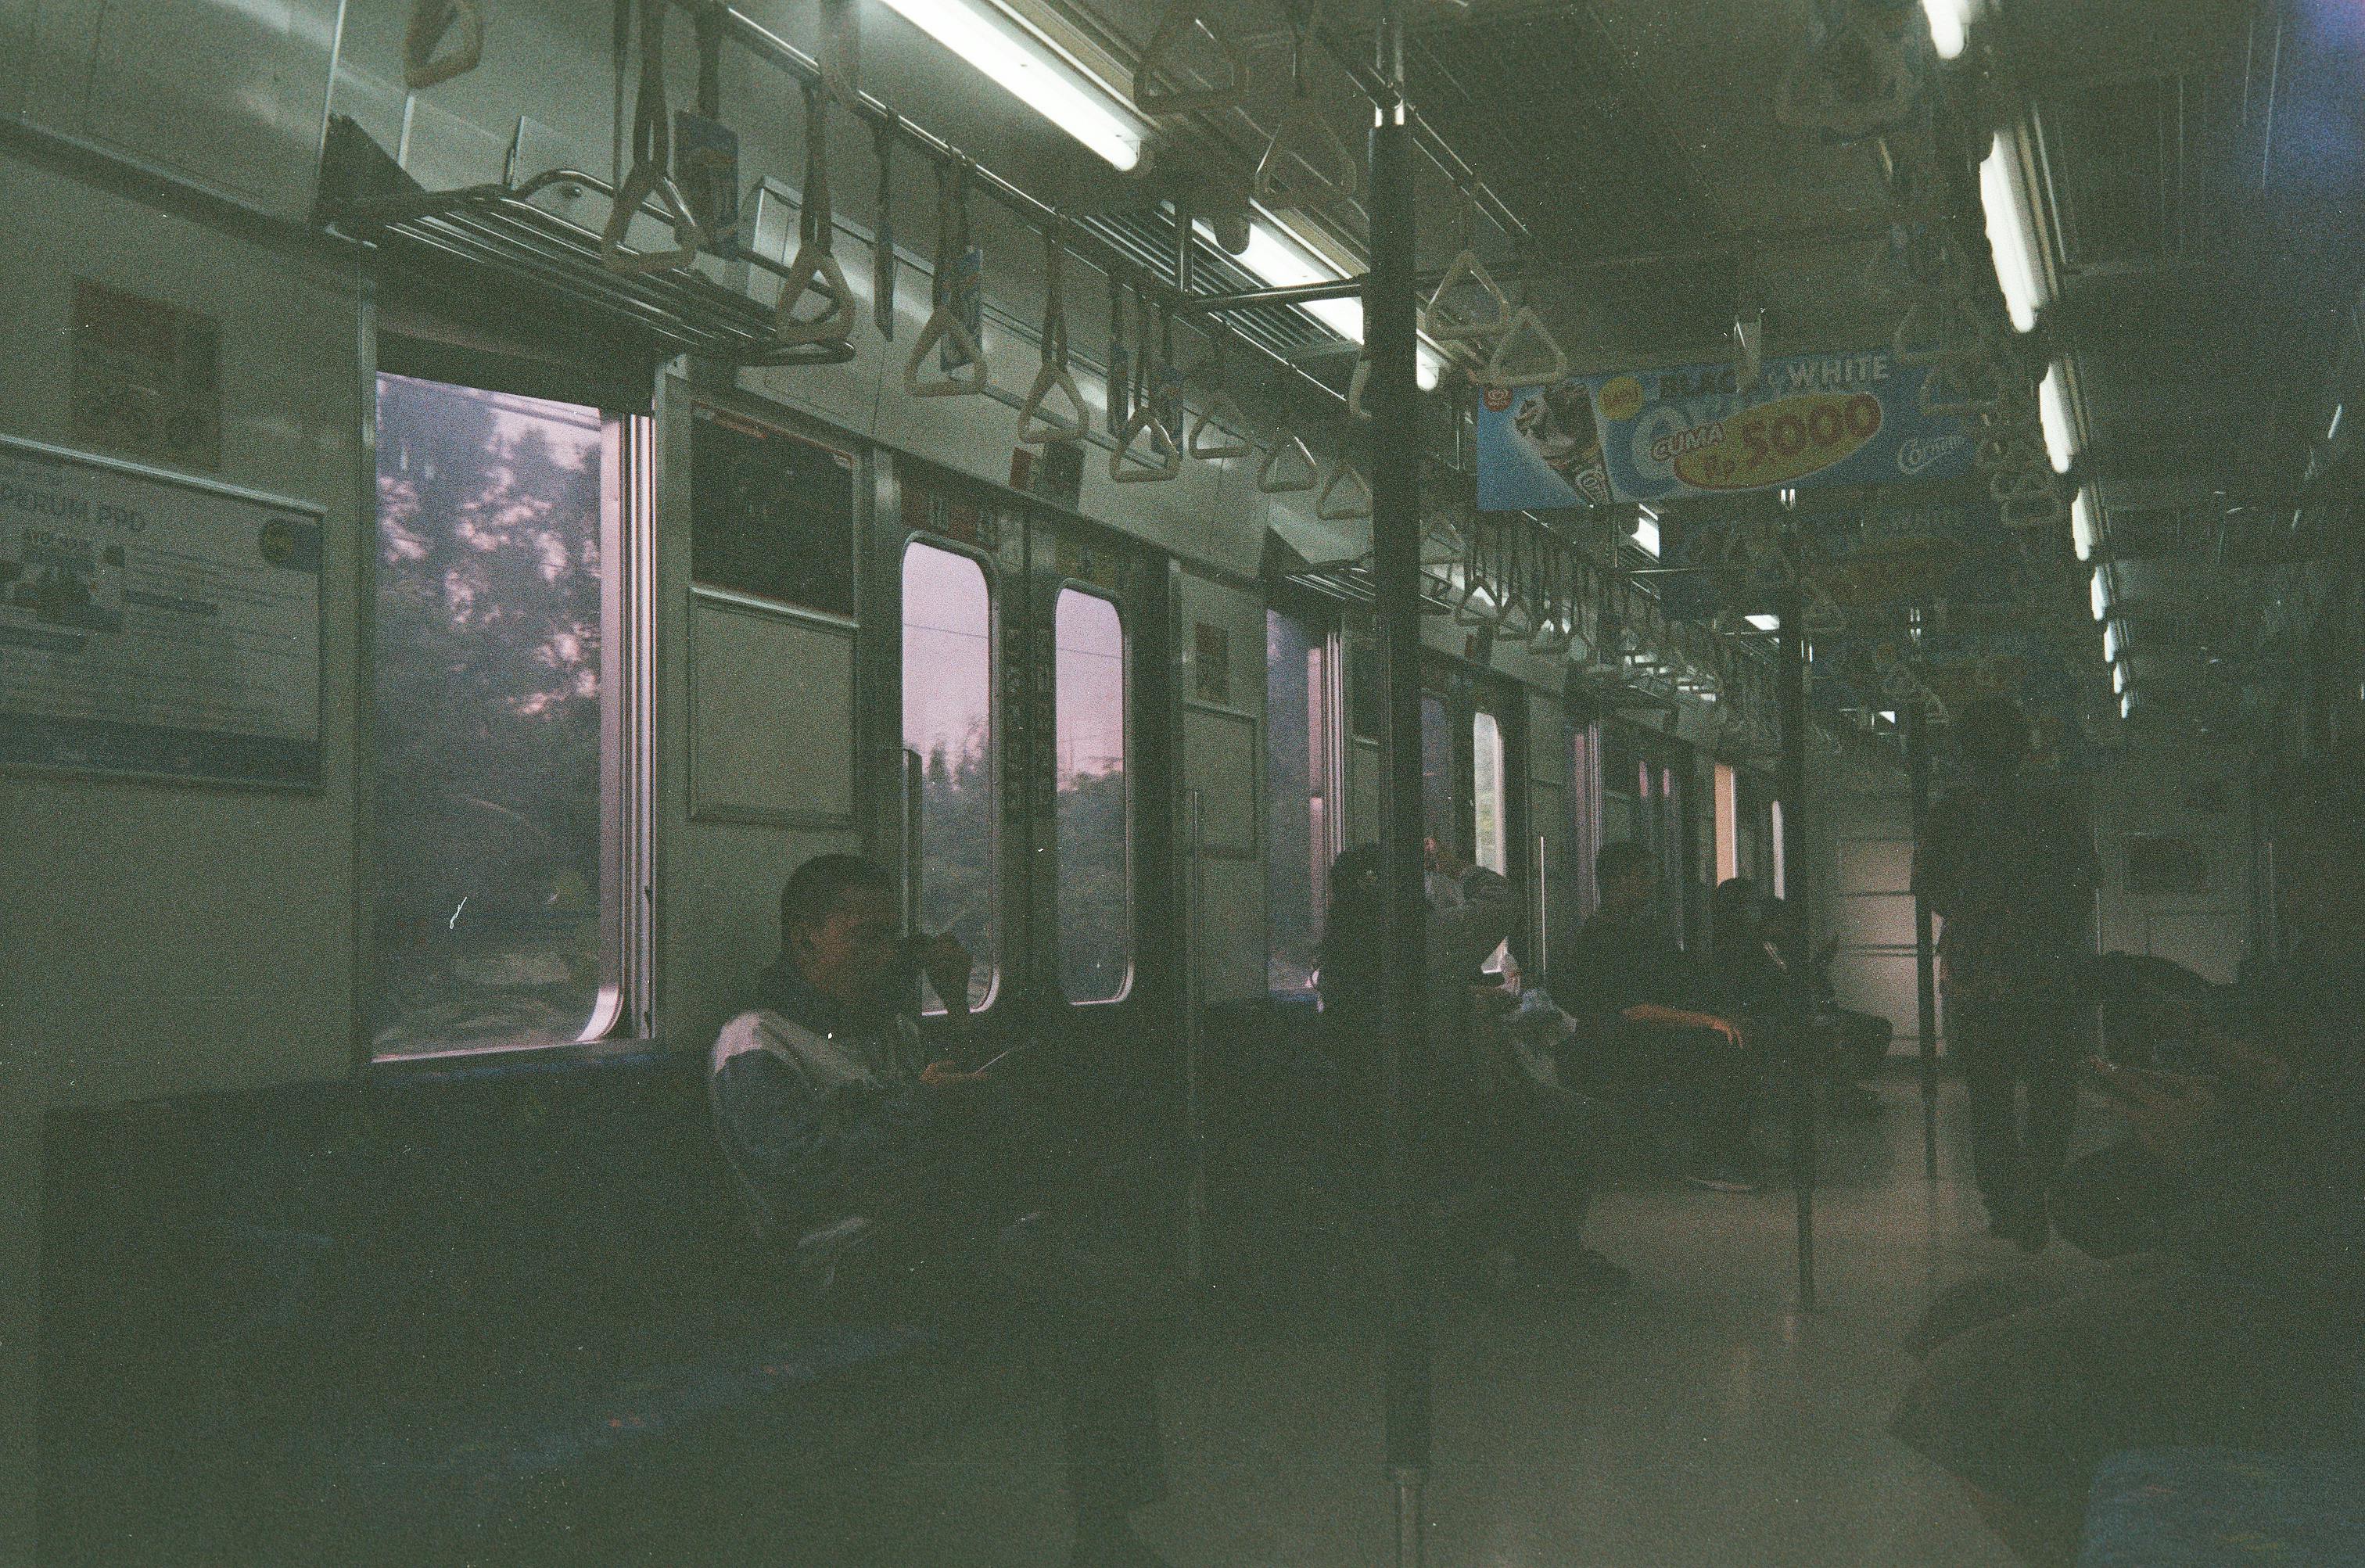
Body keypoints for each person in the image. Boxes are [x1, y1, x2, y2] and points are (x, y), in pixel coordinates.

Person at [1889, 745, 2365, 1566]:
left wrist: (2210, 1145)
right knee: (1959, 1312)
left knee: (1963, 1385)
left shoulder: (1958, 827)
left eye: (2310, 860)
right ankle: (2028, 1196)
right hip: (2271, 1256)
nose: (2291, 886)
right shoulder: (2331, 971)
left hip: (2314, 1307)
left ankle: (2020, 1198)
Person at [709, 853, 1175, 1568]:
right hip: (832, 1257)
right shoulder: (756, 1041)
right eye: (862, 937)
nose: (882, 956)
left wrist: (957, 1007)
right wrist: (918, 1104)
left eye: (889, 938)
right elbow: (800, 1178)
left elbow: (953, 1117)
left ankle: (1107, 1527)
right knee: (1083, 1285)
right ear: (804, 940)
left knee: (1097, 1268)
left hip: (919, 1229)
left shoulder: (887, 1030)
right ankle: (1107, 1536)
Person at [1318, 838, 1628, 1295]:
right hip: (1449, 1101)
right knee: (1571, 1123)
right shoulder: (1430, 935)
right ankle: (1548, 1256)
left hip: (1378, 1104)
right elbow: (1500, 900)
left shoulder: (1341, 957)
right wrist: (1454, 865)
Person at [1912, 696, 2099, 1249]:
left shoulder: (1949, 812)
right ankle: (2036, 1185)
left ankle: (2008, 1198)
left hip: (1979, 975)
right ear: (2025, 747)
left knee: (1989, 1098)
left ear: (1964, 752)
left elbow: (1929, 886)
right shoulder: (2056, 806)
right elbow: (2083, 883)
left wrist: (1980, 915)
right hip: (2046, 971)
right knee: (2052, 1090)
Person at [1559, 841, 1764, 1190]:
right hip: (1620, 1043)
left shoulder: (1643, 932)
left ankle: (1731, 1149)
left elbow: (1684, 979)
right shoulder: (1601, 940)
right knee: (1717, 1046)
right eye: (1644, 876)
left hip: (1649, 1030)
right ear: (1620, 881)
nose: (1652, 884)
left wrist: (1721, 1012)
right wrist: (1708, 1021)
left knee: (1740, 1033)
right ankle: (1707, 1159)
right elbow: (1636, 1011)